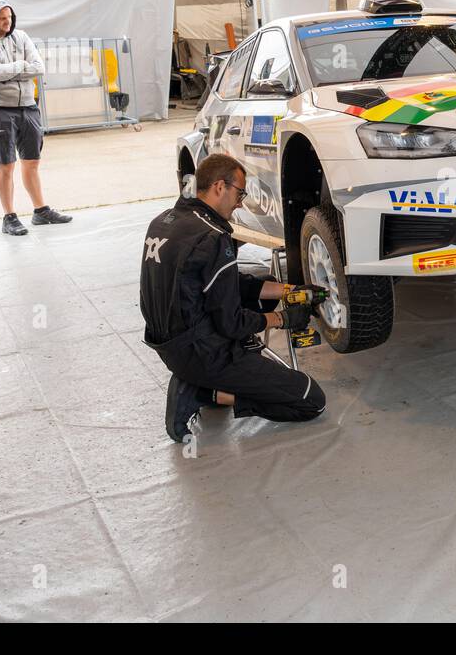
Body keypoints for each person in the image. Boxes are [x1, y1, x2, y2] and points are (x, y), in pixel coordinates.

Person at [139, 153, 328, 442]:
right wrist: (282, 319)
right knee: (310, 399)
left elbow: (222, 284)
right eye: (239, 193)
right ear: (219, 187)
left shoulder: (167, 221)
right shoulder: (213, 237)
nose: (240, 203)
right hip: (203, 353)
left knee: (264, 283)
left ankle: (206, 377)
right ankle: (203, 391)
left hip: (171, 344)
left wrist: (290, 290)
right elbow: (231, 323)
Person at [0, 0, 72, 235]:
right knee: (6, 165)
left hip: (28, 107)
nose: (7, 22)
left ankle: (40, 211)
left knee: (32, 161)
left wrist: (10, 70)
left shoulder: (21, 36)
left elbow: (38, 67)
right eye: (2, 18)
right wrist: (21, 66)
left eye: (10, 17)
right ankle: (9, 217)